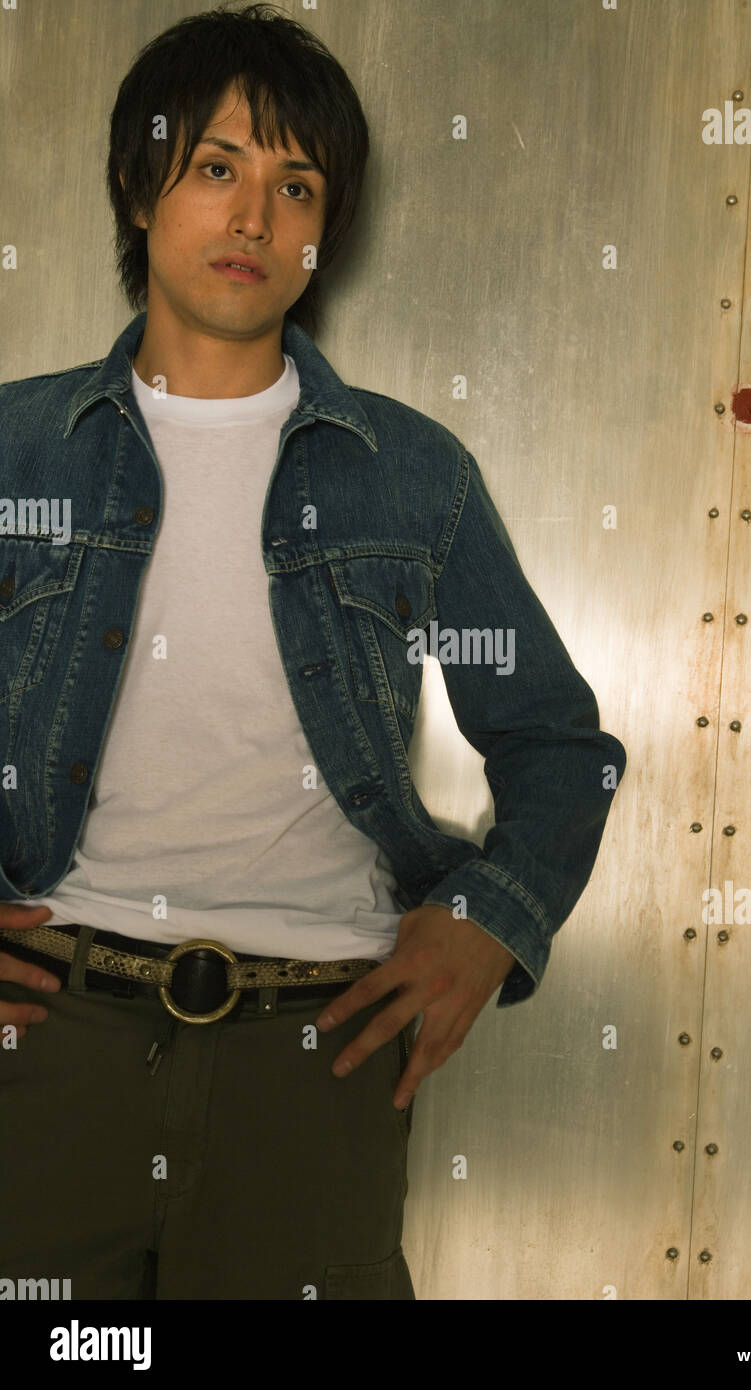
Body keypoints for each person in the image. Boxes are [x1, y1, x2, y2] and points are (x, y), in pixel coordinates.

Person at [0, 3, 626, 1301]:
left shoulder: (408, 478)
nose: (253, 219)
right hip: (53, 1049)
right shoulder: (20, 454)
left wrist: (486, 924)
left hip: (318, 1059)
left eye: (296, 185)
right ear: (138, 186)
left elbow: (557, 744)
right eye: (216, 167)